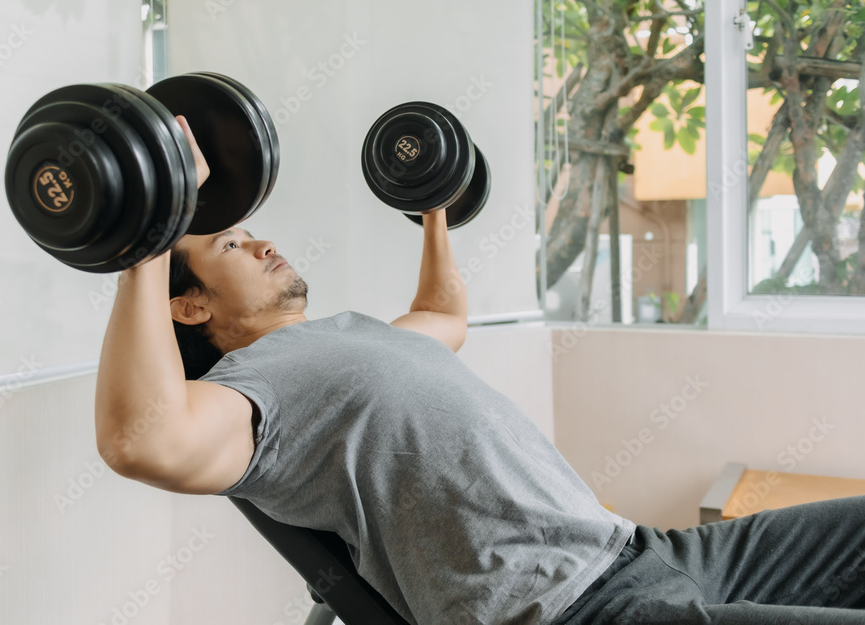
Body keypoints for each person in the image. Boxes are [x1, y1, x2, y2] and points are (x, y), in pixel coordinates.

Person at [95, 118, 865, 624]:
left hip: (642, 551)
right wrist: (151, 235)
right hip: (575, 609)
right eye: (230, 245)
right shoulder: (247, 391)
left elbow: (444, 315)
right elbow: (141, 438)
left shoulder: (350, 337)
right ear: (190, 305)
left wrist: (433, 207)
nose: (264, 244)